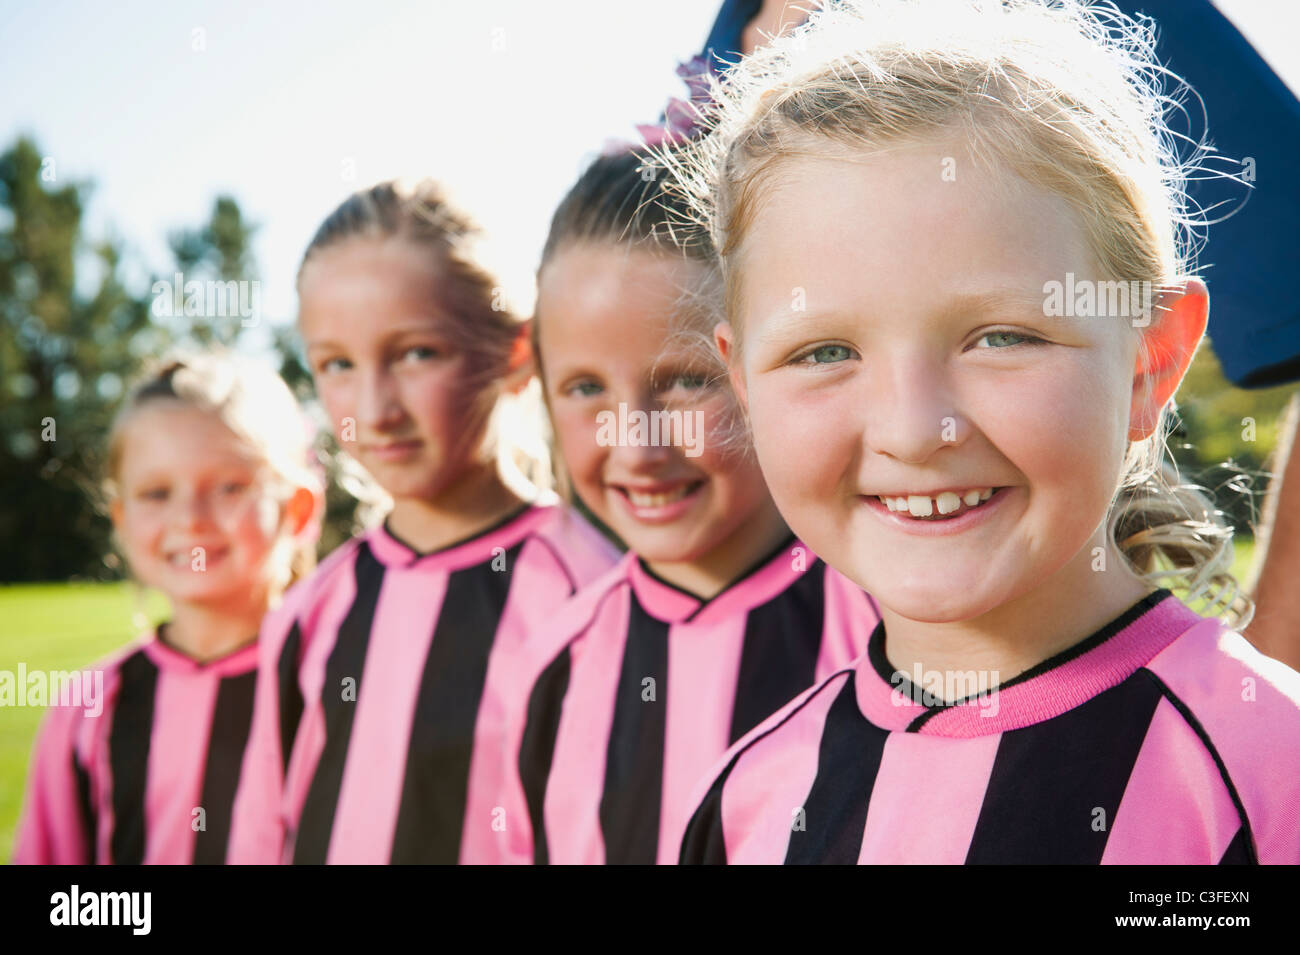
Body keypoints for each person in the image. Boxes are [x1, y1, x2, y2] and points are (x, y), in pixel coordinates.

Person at [656, 0, 1300, 863]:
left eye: (1001, 338)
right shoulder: (743, 801)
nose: (915, 429)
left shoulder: (1268, 774)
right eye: (825, 351)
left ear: (1151, 358)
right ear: (743, 382)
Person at [482, 148, 875, 865]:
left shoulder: (890, 629)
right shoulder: (551, 668)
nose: (637, 444)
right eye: (585, 389)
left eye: (685, 381)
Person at [227, 179, 617, 865]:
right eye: (337, 364)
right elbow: (262, 835)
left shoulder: (593, 593)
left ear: (515, 353)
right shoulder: (313, 611)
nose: (374, 407)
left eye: (415, 354)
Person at [13, 350, 323, 864]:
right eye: (156, 493)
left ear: (298, 507)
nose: (190, 519)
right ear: (121, 517)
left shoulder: (335, 691)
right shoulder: (91, 708)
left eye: (229, 487)